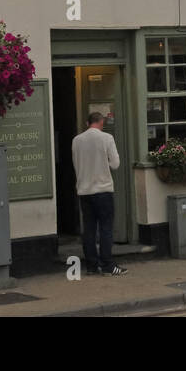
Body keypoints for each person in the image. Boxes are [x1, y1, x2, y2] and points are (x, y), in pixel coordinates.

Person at [71, 111, 126, 275]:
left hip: (84, 190)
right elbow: (115, 164)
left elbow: (76, 164)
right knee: (105, 228)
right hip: (103, 190)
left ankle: (92, 266)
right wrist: (103, 162)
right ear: (101, 123)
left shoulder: (76, 140)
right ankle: (108, 265)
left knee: (88, 230)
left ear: (87, 123)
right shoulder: (106, 138)